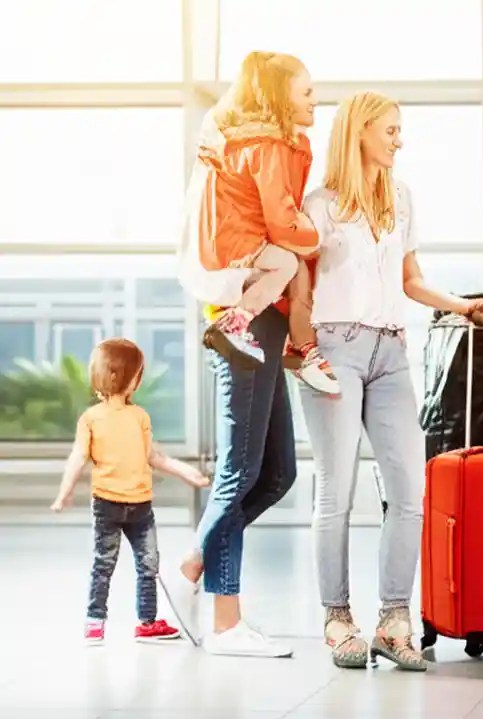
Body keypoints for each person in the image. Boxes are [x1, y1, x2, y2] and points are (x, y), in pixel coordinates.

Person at [299, 91, 483, 670]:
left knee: (410, 491)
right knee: (335, 492)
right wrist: (304, 350)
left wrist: (461, 305)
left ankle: (393, 618)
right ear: (359, 131)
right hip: (334, 345)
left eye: (400, 129)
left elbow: (411, 278)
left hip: (391, 350)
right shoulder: (320, 205)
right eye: (389, 129)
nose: (398, 139)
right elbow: (301, 290)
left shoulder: (401, 199)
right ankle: (337, 619)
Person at [178, 51, 322, 658]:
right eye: (307, 91)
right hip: (243, 316)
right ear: (277, 94)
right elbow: (284, 228)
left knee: (278, 472)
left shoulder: (243, 139)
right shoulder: (266, 144)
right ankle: (225, 620)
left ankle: (193, 560)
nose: (316, 99)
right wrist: (321, 235)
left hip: (260, 315)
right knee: (239, 473)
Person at [50, 338, 210, 645]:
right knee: (104, 564)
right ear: (126, 377)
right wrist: (64, 493)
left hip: (141, 507)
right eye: (139, 373)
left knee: (148, 565)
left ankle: (147, 623)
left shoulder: (140, 417)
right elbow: (78, 457)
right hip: (107, 505)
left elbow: (155, 457)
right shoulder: (91, 418)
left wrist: (187, 473)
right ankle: (95, 621)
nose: (140, 379)